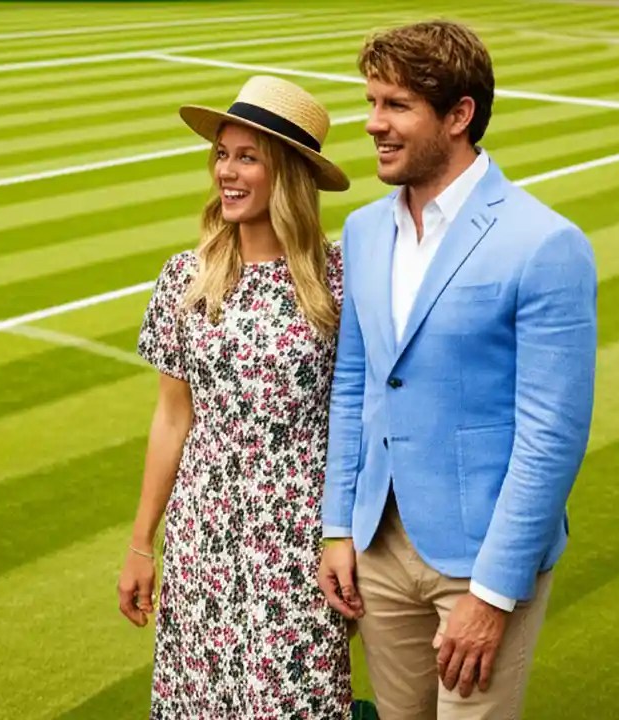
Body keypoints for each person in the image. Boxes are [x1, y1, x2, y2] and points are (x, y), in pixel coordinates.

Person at [317, 20, 598, 720]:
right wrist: (338, 526)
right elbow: (354, 386)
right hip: (379, 543)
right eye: (372, 101)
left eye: (396, 105)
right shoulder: (363, 230)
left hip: (480, 560)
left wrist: (494, 593)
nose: (373, 122)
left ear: (459, 115)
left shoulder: (546, 244)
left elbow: (551, 437)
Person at [117, 75, 353, 718]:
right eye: (222, 154)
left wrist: (347, 536)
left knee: (294, 701)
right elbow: (173, 419)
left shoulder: (339, 279)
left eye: (248, 157)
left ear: (288, 175)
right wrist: (141, 543)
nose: (227, 171)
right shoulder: (185, 278)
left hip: (300, 540)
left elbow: (360, 416)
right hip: (204, 535)